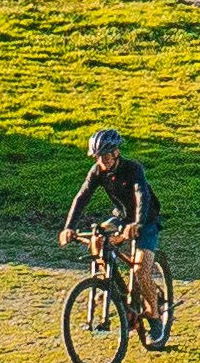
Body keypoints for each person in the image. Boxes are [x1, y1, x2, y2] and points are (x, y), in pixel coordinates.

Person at [63, 125, 167, 329]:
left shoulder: (133, 169)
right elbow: (82, 197)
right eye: (97, 157)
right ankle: (119, 295)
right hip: (121, 218)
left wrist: (137, 223)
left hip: (146, 220)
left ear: (116, 152)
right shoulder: (97, 172)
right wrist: (69, 227)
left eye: (105, 156)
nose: (101, 161)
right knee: (97, 240)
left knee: (140, 272)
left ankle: (154, 316)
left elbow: (141, 196)